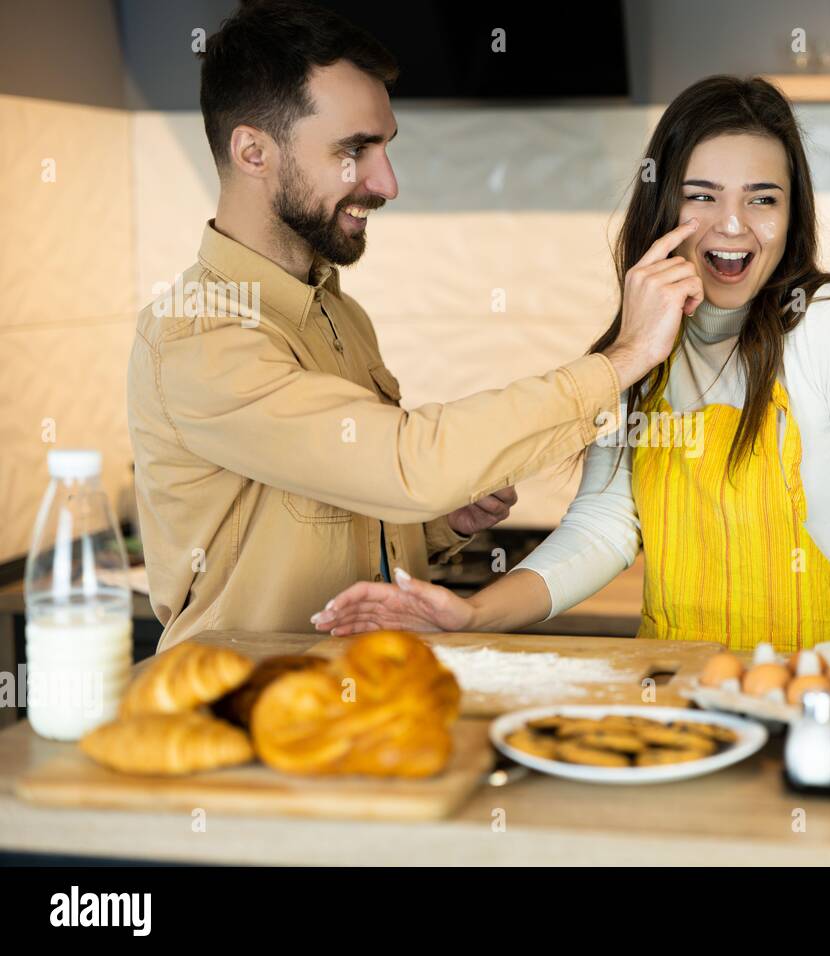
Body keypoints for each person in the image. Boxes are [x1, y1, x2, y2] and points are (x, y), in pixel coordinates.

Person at [315, 76, 830, 660]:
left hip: (820, 706)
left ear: (793, 214)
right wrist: (470, 615)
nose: (732, 224)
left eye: (763, 199)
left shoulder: (829, 326)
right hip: (683, 707)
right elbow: (601, 527)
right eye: (703, 195)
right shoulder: (637, 349)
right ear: (664, 204)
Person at [127, 1, 700, 651]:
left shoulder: (337, 314)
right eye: (355, 151)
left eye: (384, 148)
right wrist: (624, 357)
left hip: (348, 703)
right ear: (253, 151)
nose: (387, 182)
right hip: (240, 721)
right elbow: (405, 462)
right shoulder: (199, 338)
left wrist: (434, 522)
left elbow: (354, 487)